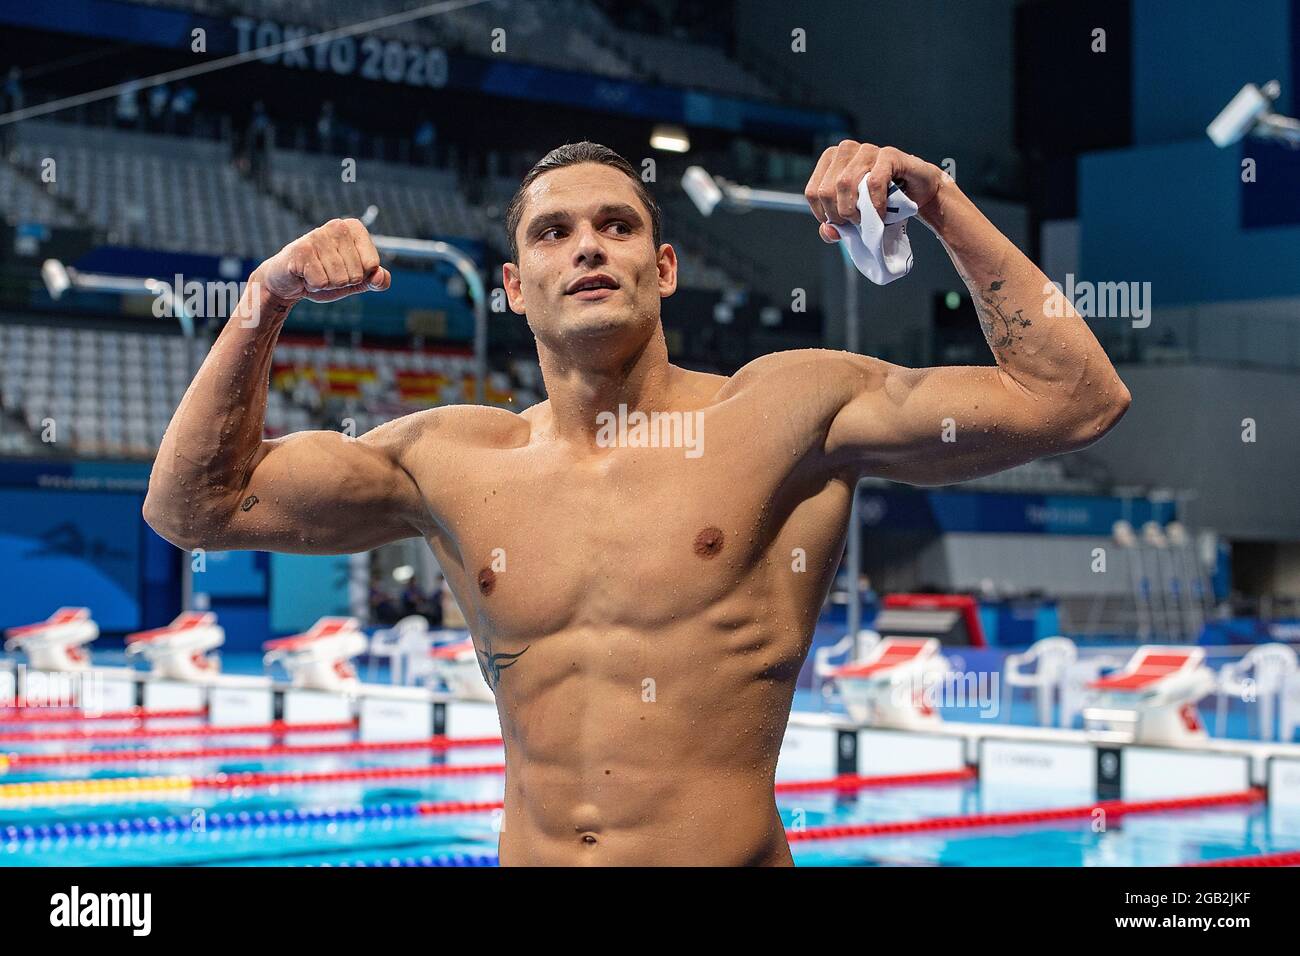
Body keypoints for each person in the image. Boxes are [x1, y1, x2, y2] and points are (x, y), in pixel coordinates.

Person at [144, 139, 1130, 865]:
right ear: (514, 287)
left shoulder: (783, 413)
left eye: (617, 226)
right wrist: (263, 297)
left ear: (662, 270)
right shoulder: (448, 458)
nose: (588, 247)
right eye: (554, 232)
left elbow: (1074, 400)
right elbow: (195, 507)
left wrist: (937, 197)